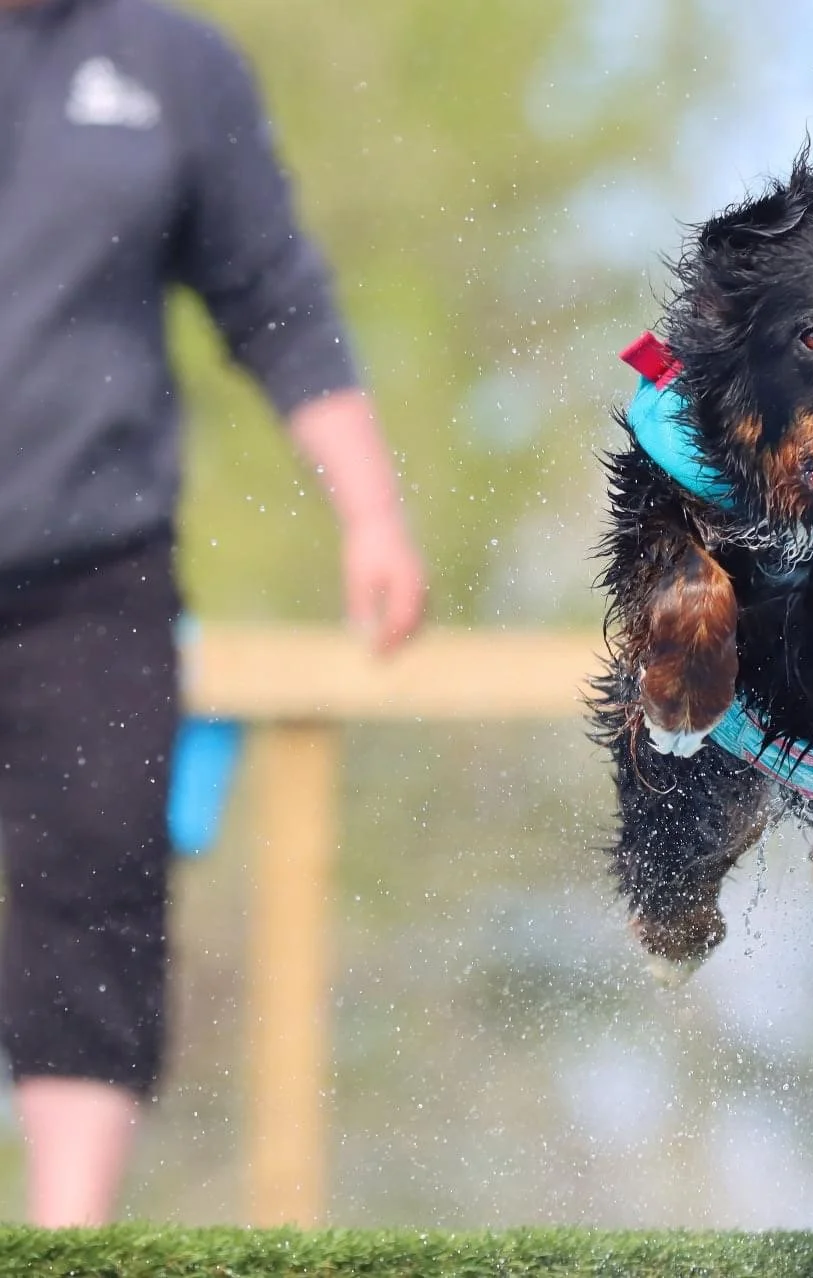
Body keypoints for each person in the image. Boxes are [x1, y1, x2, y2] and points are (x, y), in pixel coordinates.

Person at [0, 0, 427, 1225]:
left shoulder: (172, 66)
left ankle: (65, 1240)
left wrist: (374, 517)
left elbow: (275, 297)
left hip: (90, 566)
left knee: (98, 886)